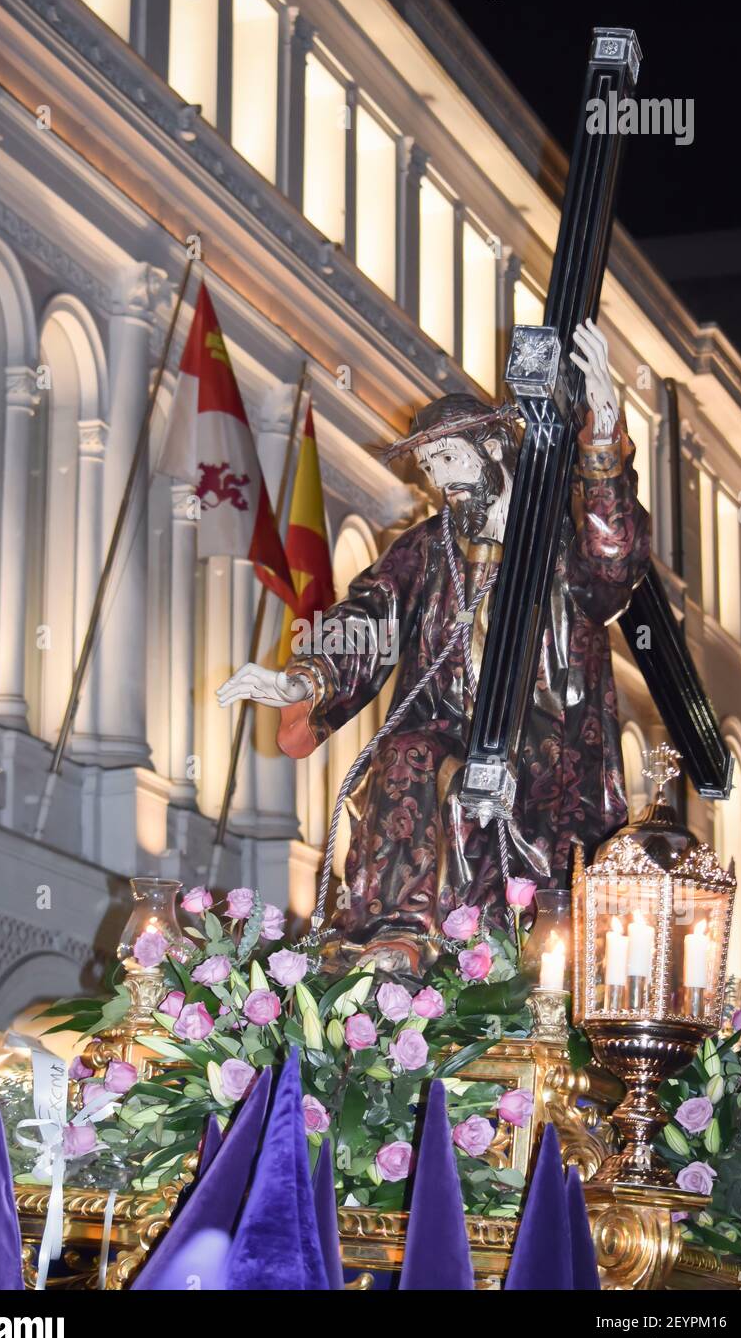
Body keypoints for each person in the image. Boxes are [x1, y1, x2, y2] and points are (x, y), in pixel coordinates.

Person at [218, 322, 650, 971]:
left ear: (494, 448)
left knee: (466, 774)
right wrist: (304, 680)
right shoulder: (429, 548)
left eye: (449, 461)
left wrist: (604, 438)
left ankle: (477, 940)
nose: (439, 481)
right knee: (405, 756)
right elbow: (371, 612)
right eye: (428, 469)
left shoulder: (559, 536)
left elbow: (614, 564)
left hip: (550, 748)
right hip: (447, 730)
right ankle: (399, 935)